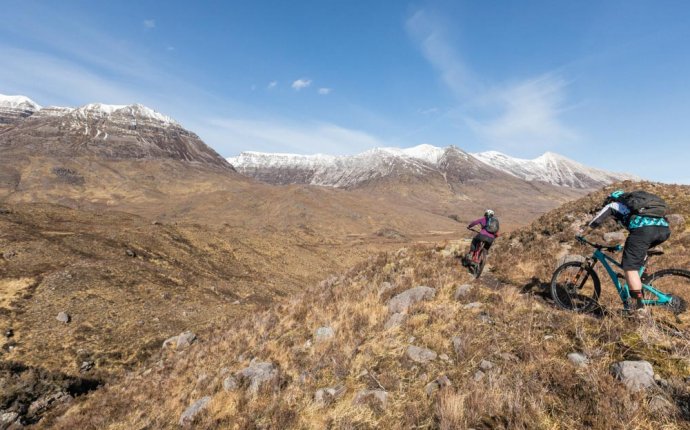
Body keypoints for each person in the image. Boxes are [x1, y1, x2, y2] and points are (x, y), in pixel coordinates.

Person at [586, 190, 670, 312]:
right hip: (664, 230)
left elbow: (601, 216)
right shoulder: (639, 207)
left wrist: (585, 231)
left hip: (644, 231)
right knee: (637, 258)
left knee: (630, 267)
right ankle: (643, 280)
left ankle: (638, 308)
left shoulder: (616, 204)